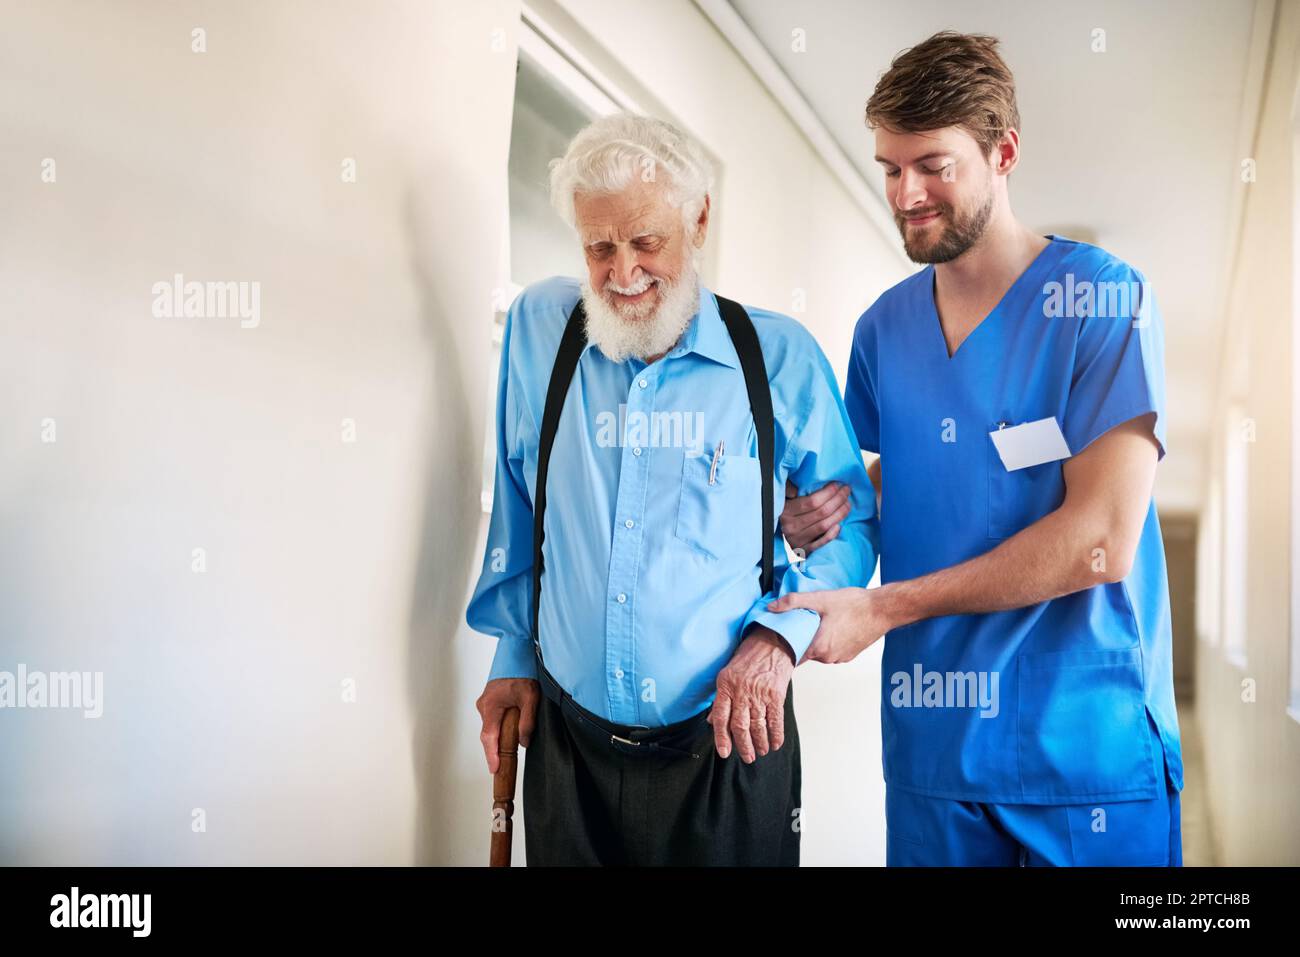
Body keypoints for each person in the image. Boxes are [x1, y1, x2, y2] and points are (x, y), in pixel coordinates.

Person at [776, 31, 1183, 866]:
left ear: (1004, 152)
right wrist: (817, 511)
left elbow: (1103, 539)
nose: (906, 193)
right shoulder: (884, 330)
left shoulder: (1100, 300)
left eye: (933, 164)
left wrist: (882, 607)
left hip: (1083, 756)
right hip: (934, 756)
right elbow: (908, 475)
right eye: (890, 168)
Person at [466, 112, 879, 865]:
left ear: (698, 220)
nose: (622, 272)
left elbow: (850, 527)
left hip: (728, 747)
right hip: (569, 747)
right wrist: (512, 656)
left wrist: (779, 638)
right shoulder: (539, 329)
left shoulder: (777, 358)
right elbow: (521, 512)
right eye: (599, 246)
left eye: (645, 241)